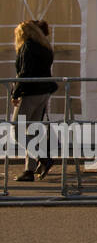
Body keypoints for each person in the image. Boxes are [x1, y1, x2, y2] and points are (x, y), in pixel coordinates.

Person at [11, 20, 56, 181]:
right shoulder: (45, 47)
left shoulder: (27, 46)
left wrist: (15, 93)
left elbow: (24, 72)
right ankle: (29, 170)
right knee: (31, 131)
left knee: (17, 131)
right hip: (43, 92)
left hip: (29, 92)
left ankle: (42, 158)